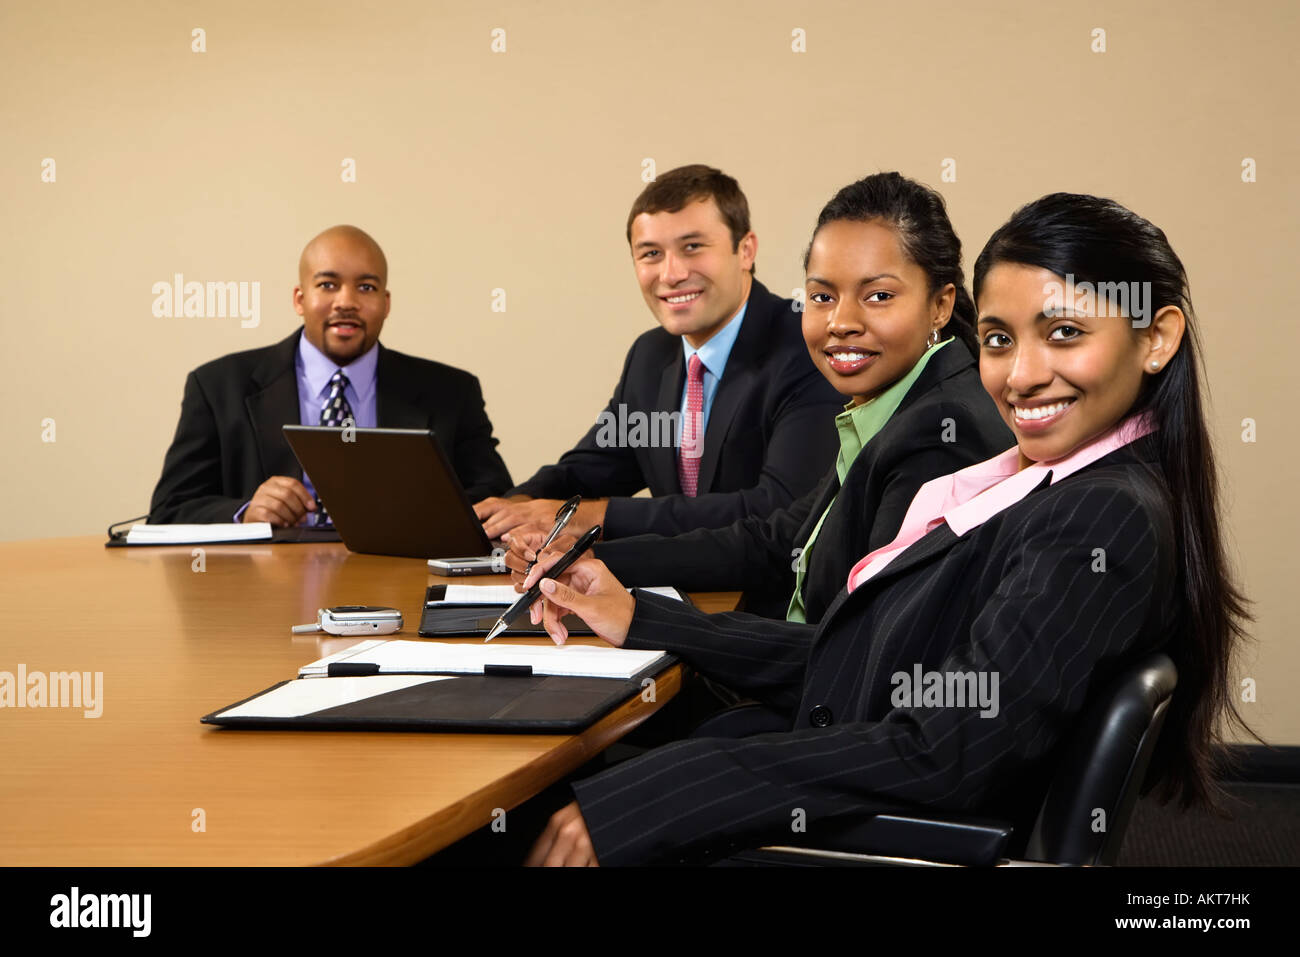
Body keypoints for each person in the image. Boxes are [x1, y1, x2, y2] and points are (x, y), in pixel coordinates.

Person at [519, 192, 1253, 866]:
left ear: (1156, 340)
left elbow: (944, 750)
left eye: (1063, 333)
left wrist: (663, 793)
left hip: (903, 838)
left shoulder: (1099, 515)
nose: (1021, 374)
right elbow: (871, 658)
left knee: (531, 818)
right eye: (998, 339)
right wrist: (640, 614)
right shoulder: (1048, 481)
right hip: (873, 789)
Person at [504, 173, 1014, 623]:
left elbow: (852, 657)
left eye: (878, 295)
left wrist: (647, 621)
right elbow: (775, 537)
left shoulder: (937, 431)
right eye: (822, 296)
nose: (841, 323)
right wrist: (584, 555)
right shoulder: (886, 407)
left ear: (940, 303)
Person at [473, 165, 844, 543]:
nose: (671, 274)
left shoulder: (806, 348)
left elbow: (779, 506)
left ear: (745, 250)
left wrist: (598, 515)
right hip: (678, 590)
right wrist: (517, 505)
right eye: (651, 253)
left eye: (692, 247)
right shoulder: (650, 355)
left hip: (770, 597)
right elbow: (592, 467)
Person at [149, 225, 513, 525]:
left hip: (399, 584)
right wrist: (244, 513)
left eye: (366, 287)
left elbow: (497, 502)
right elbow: (169, 511)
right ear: (299, 299)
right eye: (327, 285)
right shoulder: (217, 387)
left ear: (386, 305)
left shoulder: (451, 392)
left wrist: (412, 514)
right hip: (262, 592)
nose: (346, 301)